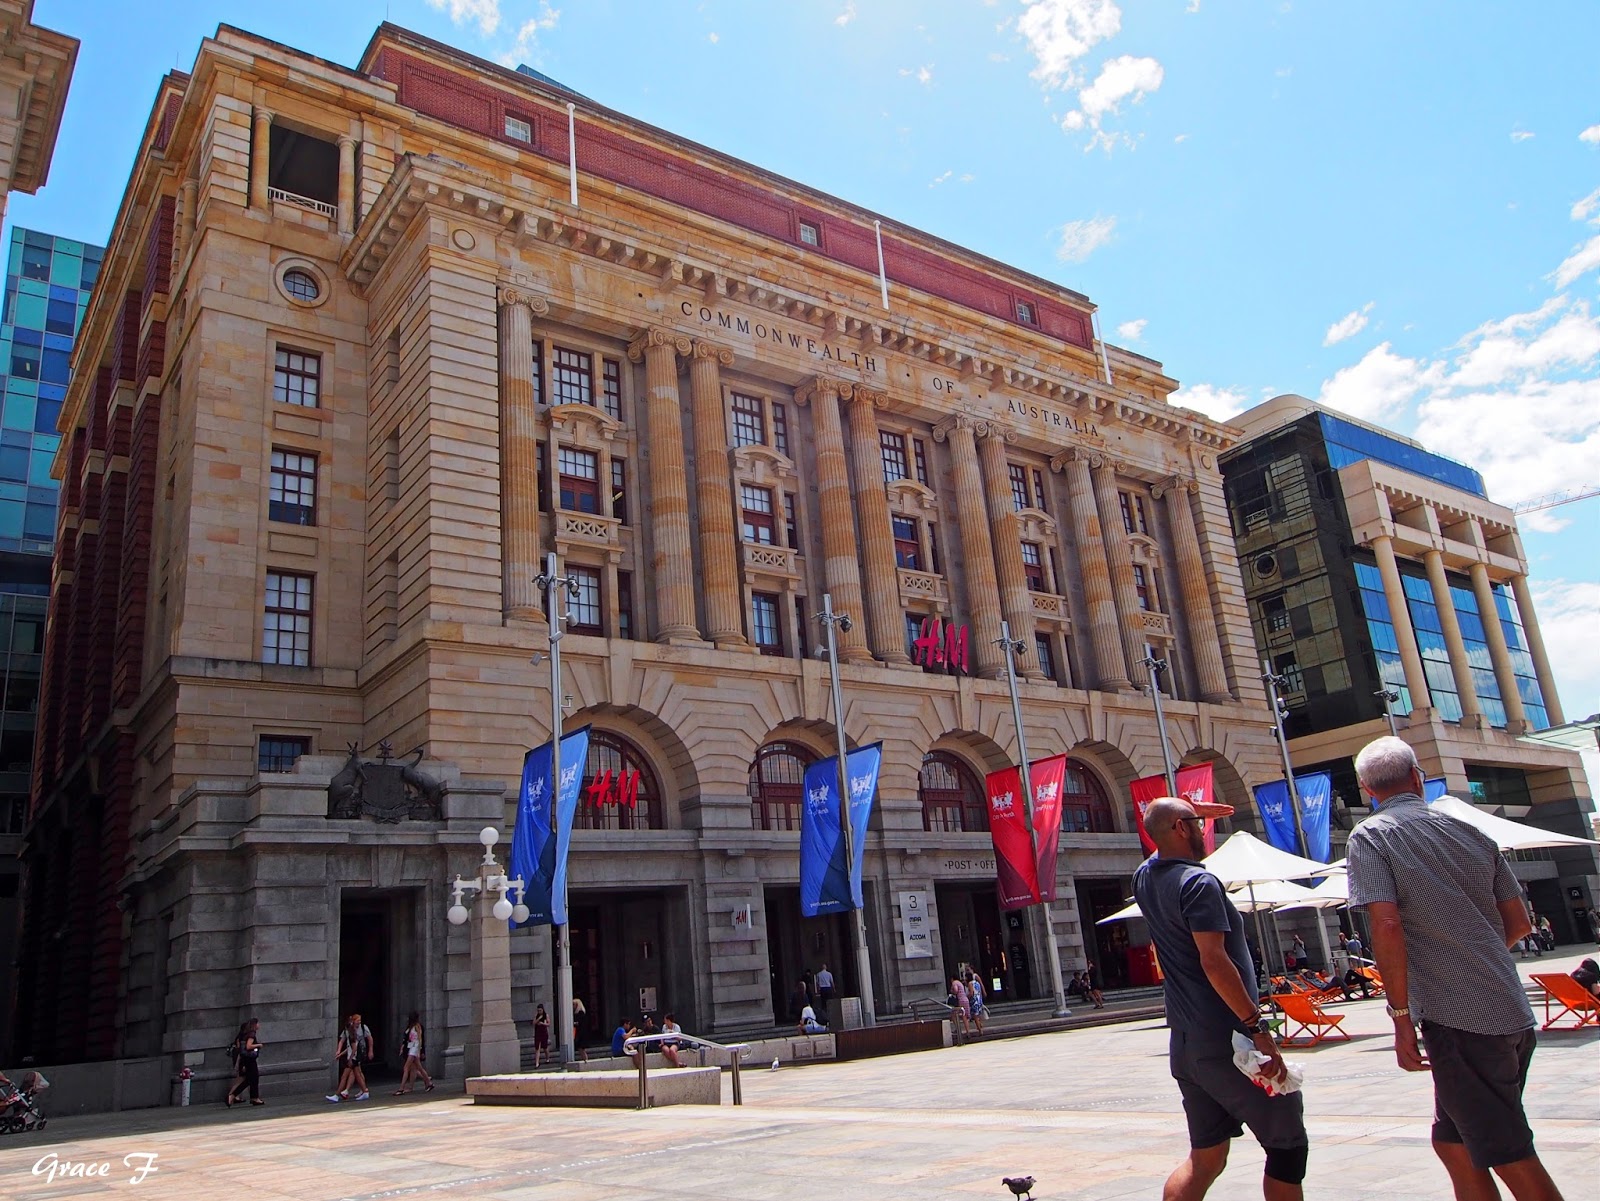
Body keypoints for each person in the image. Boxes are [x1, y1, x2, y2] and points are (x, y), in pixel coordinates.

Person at [1347, 736, 1566, 1201]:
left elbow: (1385, 924)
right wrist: (1475, 953)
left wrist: (1401, 1016)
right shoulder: (1473, 833)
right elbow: (1520, 922)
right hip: (1509, 1008)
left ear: (1367, 787)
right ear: (1417, 777)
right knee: (1453, 1143)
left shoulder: (1370, 836)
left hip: (1460, 1021)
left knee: (1508, 1152)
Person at [1132, 795, 1308, 1201]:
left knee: (1207, 1158)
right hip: (1227, 1041)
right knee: (1287, 1146)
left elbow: (1158, 833)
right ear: (1181, 829)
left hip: (1187, 1044)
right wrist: (1257, 1027)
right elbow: (1214, 961)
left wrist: (1182, 815)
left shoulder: (1145, 878)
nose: (1203, 831)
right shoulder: (1199, 884)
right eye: (1196, 824)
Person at [327, 1013, 372, 1102]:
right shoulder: (351, 1034)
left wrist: (350, 1059)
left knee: (345, 1076)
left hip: (353, 1058)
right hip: (354, 1058)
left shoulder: (352, 1036)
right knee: (358, 1075)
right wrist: (340, 1054)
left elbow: (354, 1048)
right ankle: (364, 1091)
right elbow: (349, 1048)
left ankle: (337, 1095)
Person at [225, 1019, 264, 1107]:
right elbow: (248, 1046)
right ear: (255, 1025)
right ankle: (233, 1095)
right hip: (250, 1059)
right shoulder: (251, 1034)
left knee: (251, 1079)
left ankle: (254, 1098)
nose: (259, 1025)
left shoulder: (245, 1034)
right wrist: (259, 1045)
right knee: (251, 1078)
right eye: (258, 1023)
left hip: (245, 1059)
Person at [393, 1012, 433, 1095]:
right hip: (412, 1048)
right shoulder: (410, 1027)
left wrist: (420, 1050)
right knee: (419, 1068)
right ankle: (429, 1083)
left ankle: (401, 1088)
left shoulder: (417, 1027)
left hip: (414, 1049)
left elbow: (420, 1039)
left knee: (406, 1068)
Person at [572, 997, 589, 1062]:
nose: (573, 1006)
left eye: (574, 1004)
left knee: (581, 1049)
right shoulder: (576, 1014)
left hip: (581, 1033)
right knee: (580, 1049)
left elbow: (580, 1023)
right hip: (578, 1033)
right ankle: (585, 1060)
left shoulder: (581, 1013)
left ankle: (586, 1061)